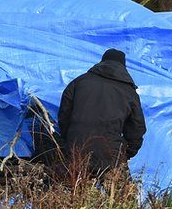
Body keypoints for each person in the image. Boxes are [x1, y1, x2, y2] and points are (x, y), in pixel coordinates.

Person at [58, 48, 146, 184]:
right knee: (121, 202)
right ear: (123, 66)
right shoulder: (129, 92)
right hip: (111, 156)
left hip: (76, 152)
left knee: (73, 199)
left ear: (102, 61)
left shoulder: (79, 82)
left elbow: (64, 116)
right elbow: (137, 129)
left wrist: (69, 141)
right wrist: (126, 153)